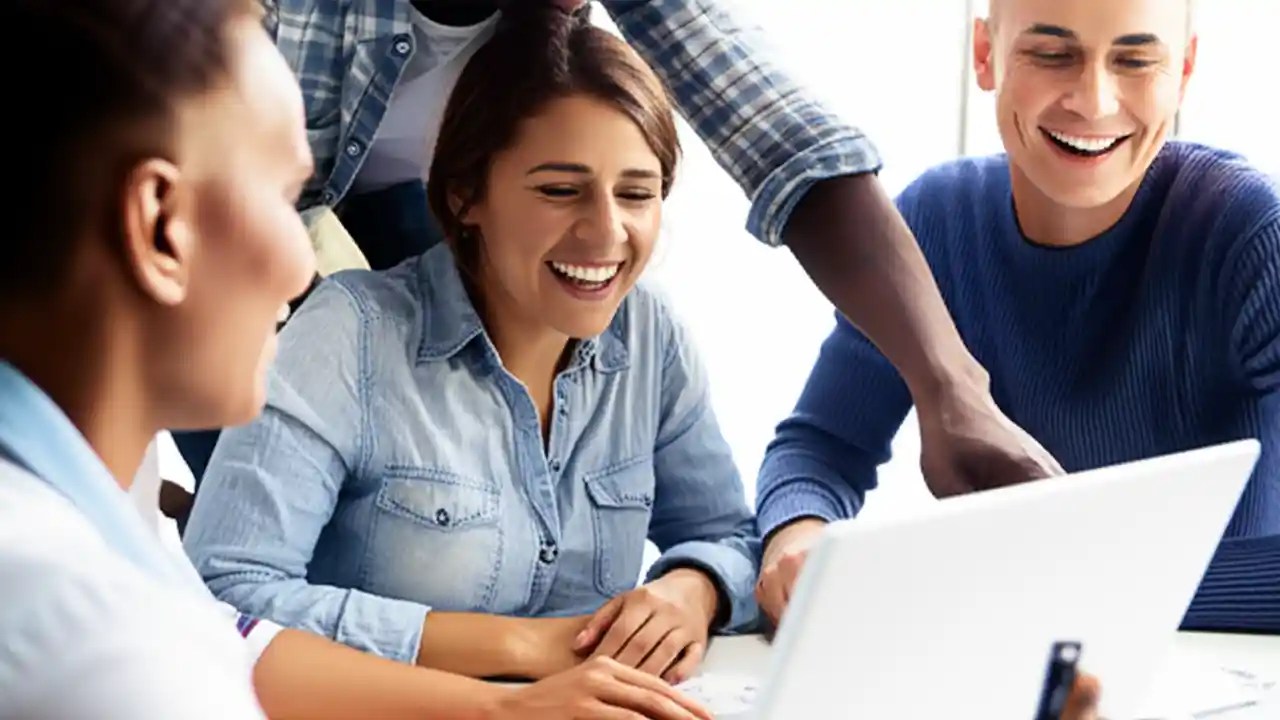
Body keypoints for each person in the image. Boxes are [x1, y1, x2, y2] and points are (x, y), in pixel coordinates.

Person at [0, 1, 720, 718]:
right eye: (285, 197)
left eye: (638, 192)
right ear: (160, 223)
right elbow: (226, 609)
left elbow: (234, 638)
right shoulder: (86, 636)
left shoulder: (96, 558)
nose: (303, 265)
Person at [170, 0, 1066, 509]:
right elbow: (160, 192)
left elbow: (787, 139)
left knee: (461, 493)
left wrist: (951, 390)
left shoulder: (650, 347)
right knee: (293, 515)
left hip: (419, 206)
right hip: (216, 207)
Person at [183, 6, 758, 686]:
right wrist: (522, 647)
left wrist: (694, 588)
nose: (606, 232)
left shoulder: (650, 336)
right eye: (560, 190)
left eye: (637, 194)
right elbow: (224, 597)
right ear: (463, 195)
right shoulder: (348, 336)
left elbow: (729, 537)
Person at [753, 0, 1280, 634]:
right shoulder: (936, 221)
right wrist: (798, 537)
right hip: (1008, 659)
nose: (1094, 102)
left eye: (1137, 60)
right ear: (986, 54)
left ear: (1185, 71)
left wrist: (1065, 588)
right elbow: (823, 445)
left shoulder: (1249, 233)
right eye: (1052, 54)